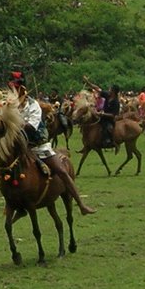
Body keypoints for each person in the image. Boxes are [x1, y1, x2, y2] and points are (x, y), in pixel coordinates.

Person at [12, 76, 95, 215]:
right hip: (20, 147)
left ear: (22, 88)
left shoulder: (33, 105)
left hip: (38, 146)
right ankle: (18, 204)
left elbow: (31, 126)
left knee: (62, 171)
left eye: (15, 88)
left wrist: (13, 126)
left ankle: (81, 204)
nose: (13, 91)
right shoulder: (12, 106)